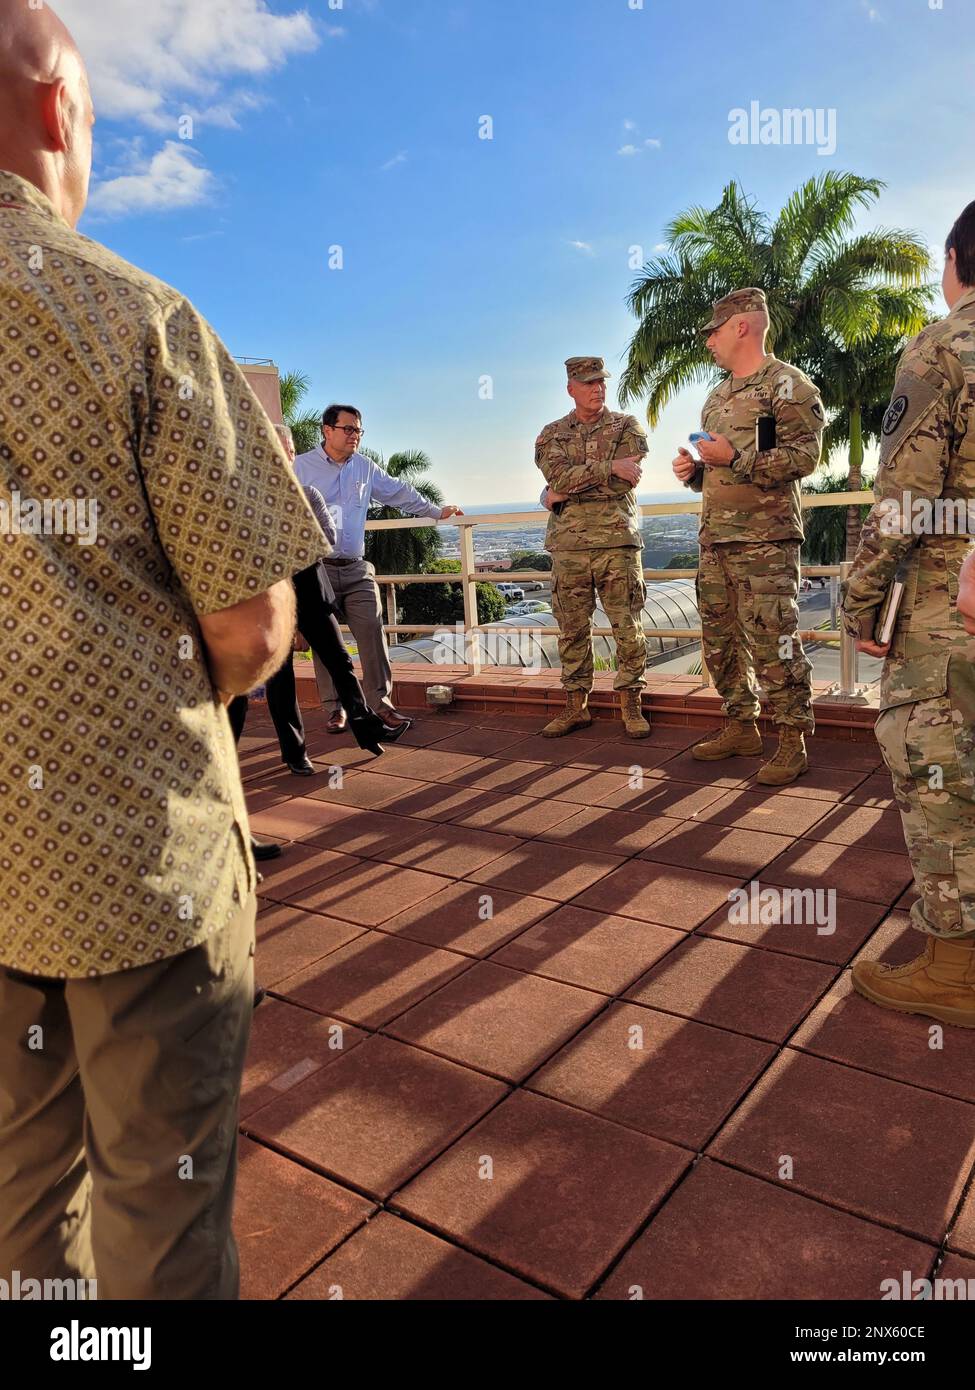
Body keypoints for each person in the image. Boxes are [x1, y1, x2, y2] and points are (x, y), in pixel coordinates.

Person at [0, 0, 328, 1299]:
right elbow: (249, 624)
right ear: (60, 108)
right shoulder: (135, 318)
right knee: (162, 1218)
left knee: (21, 1218)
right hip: (144, 879)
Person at [842, 201, 975, 1027]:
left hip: (948, 606)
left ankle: (954, 971)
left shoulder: (942, 347)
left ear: (955, 258)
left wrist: (859, 602)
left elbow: (904, 501)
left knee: (939, 774)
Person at [228, 426, 408, 856]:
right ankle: (295, 752)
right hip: (269, 600)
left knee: (340, 660)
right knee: (282, 678)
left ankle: (365, 725)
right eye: (277, 448)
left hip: (311, 592)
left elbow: (324, 540)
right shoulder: (243, 498)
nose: (284, 455)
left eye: (289, 448)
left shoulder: (307, 493)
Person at [672, 288, 825, 785]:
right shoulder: (717, 397)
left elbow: (804, 459)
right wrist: (695, 472)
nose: (708, 343)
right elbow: (720, 469)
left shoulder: (789, 386)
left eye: (713, 332)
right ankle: (741, 725)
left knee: (772, 639)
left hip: (766, 540)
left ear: (741, 326)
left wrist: (733, 459)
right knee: (719, 643)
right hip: (716, 539)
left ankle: (791, 740)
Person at [294, 405, 463, 732]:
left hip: (356, 568)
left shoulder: (364, 467)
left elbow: (399, 492)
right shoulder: (300, 466)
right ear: (327, 431)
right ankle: (335, 708)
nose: (355, 435)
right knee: (326, 641)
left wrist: (437, 511)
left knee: (372, 631)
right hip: (317, 569)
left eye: (358, 430)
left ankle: (381, 705)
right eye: (348, 429)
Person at [535, 356, 651, 739]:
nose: (597, 388)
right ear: (571, 388)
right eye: (588, 383)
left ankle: (631, 704)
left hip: (617, 543)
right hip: (568, 548)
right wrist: (608, 467)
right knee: (571, 629)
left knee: (627, 628)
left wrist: (569, 487)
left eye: (601, 381)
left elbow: (625, 483)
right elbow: (556, 477)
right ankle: (575, 705)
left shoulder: (627, 426)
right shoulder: (550, 434)